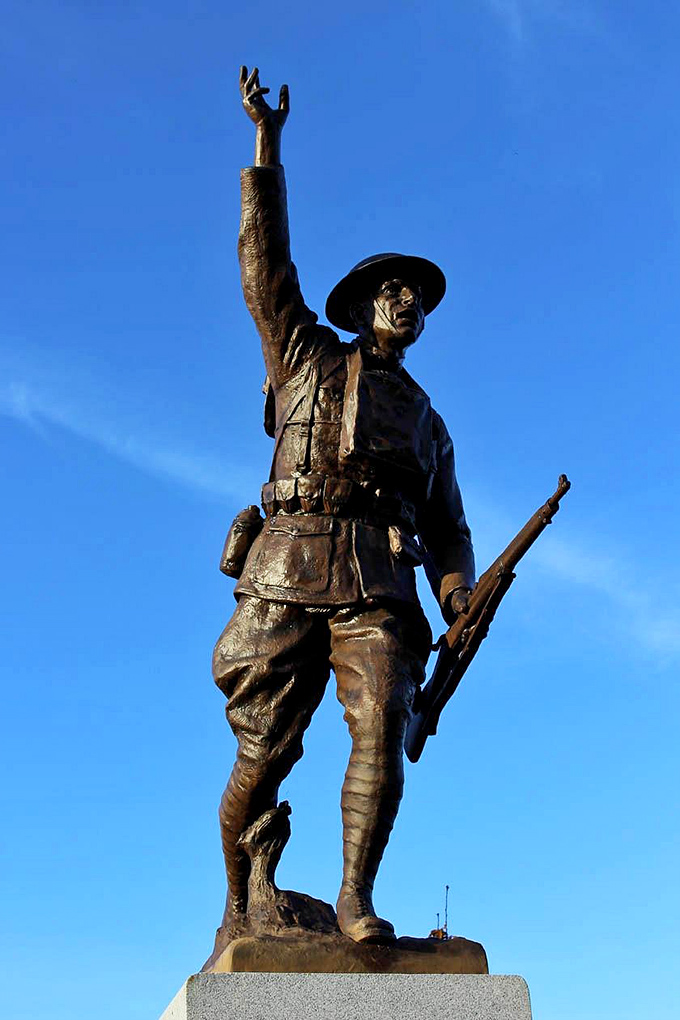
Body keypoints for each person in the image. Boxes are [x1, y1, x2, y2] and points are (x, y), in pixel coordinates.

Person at [212, 67, 475, 945]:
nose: (408, 303)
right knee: (261, 754)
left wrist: (456, 592)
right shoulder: (301, 352)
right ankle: (239, 895)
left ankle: (356, 901)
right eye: (393, 292)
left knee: (381, 728)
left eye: (418, 298)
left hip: (374, 577)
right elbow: (265, 262)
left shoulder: (426, 416)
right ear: (362, 307)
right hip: (287, 559)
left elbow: (449, 526)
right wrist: (267, 144)